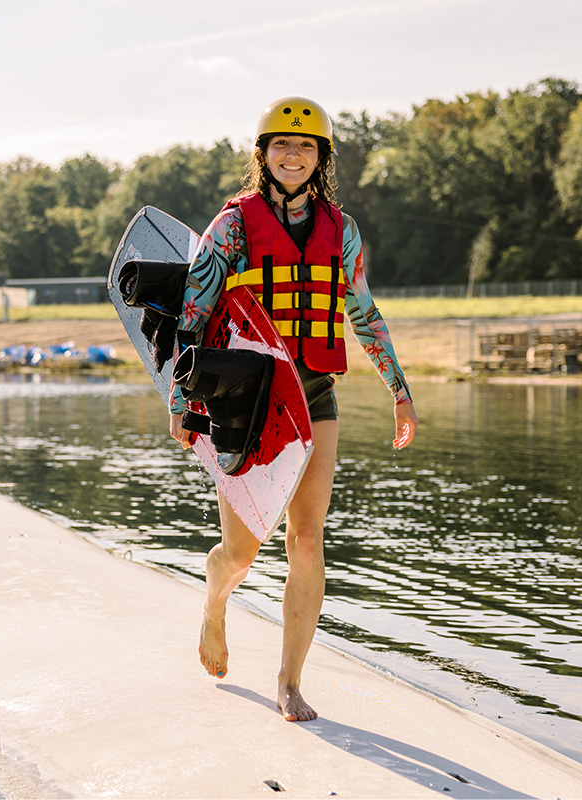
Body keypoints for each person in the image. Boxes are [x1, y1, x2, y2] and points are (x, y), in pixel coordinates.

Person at [168, 97, 419, 721]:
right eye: (281, 144)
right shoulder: (231, 225)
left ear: (322, 158)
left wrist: (399, 388)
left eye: (306, 146)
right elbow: (193, 316)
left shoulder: (344, 229)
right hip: (245, 400)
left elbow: (363, 312)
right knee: (243, 553)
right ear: (262, 155)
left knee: (307, 541)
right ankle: (215, 604)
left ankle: (289, 681)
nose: (292, 154)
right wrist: (181, 399)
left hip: (315, 396)